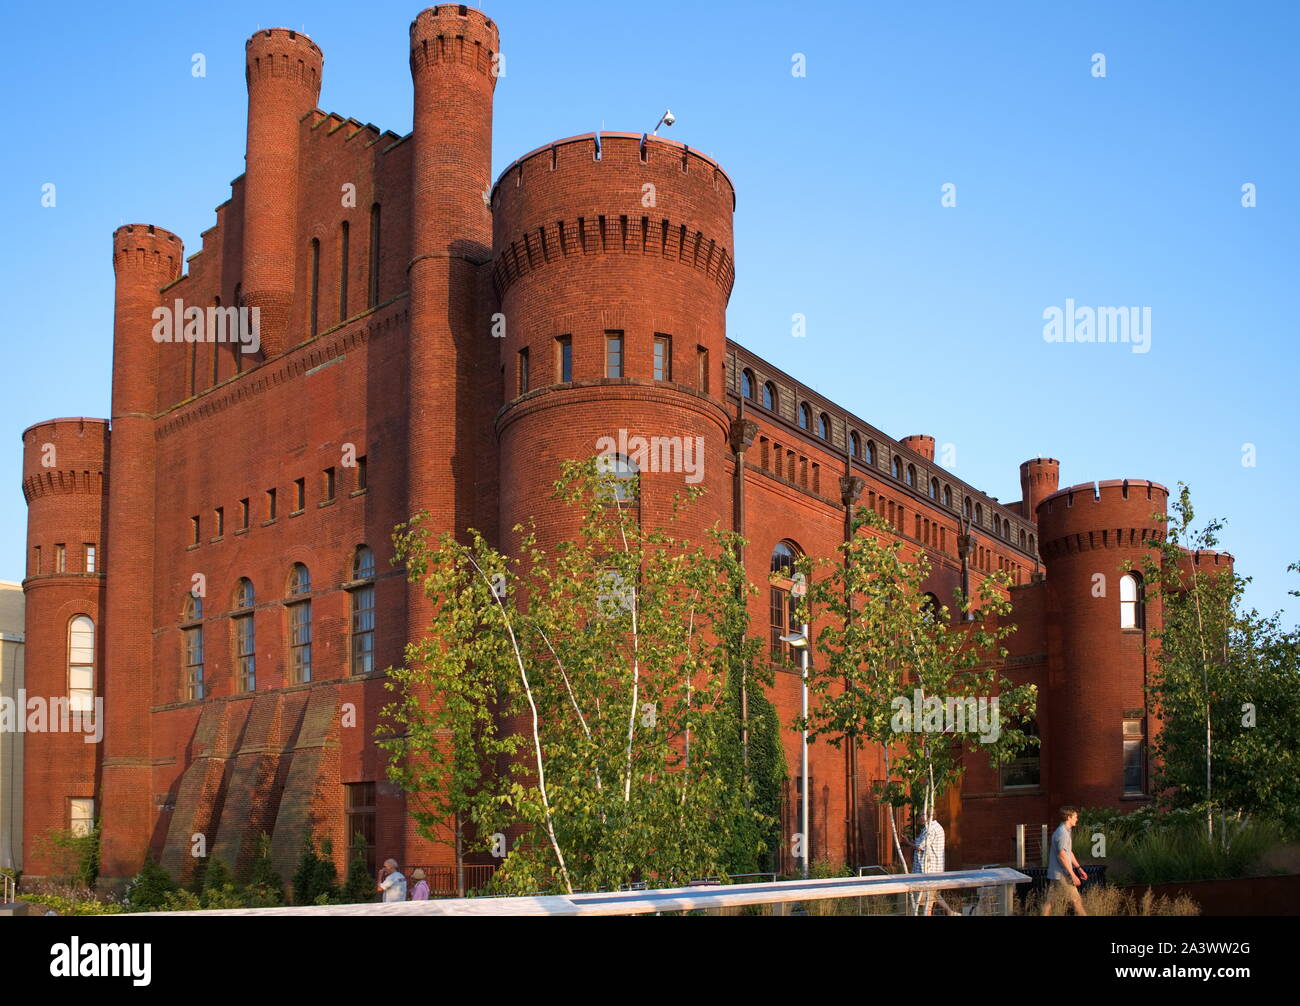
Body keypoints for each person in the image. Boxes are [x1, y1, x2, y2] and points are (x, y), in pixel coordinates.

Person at [906, 810, 958, 916]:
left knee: (928, 901)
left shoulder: (931, 829)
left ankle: (950, 912)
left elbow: (920, 847)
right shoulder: (928, 828)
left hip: (929, 870)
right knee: (933, 895)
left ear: (928, 816)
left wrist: (907, 842)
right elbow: (922, 844)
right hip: (928, 870)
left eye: (921, 815)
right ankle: (950, 912)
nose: (918, 817)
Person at [1041, 805, 1089, 916]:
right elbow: (1061, 856)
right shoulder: (1062, 833)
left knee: (1049, 903)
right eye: (1075, 817)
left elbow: (1069, 852)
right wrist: (1072, 875)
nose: (1077, 819)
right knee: (1077, 901)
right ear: (1068, 817)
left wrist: (1079, 868)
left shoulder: (1066, 831)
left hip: (1056, 873)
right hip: (1062, 874)